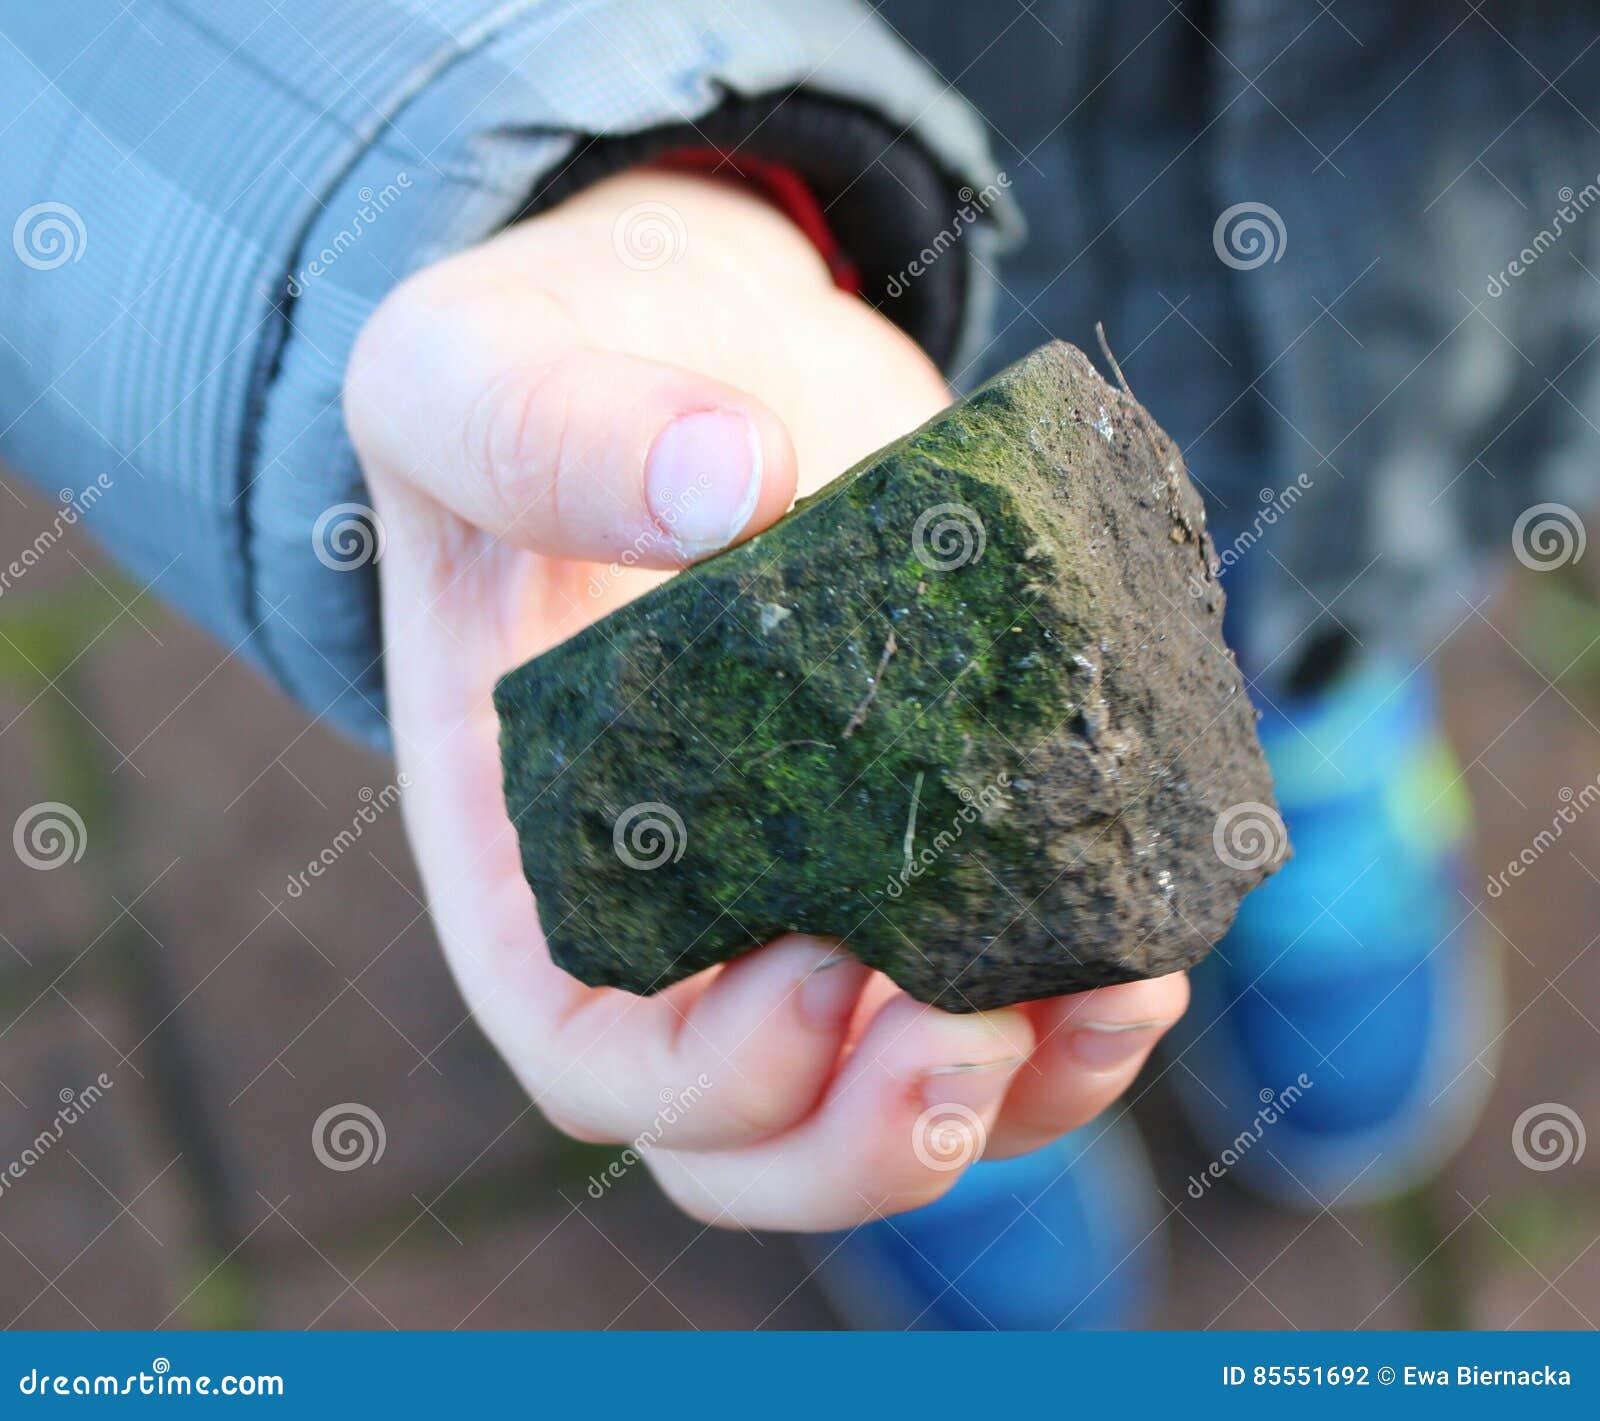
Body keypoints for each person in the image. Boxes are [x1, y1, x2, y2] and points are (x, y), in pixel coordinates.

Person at [7, 0, 1576, 1326]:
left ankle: (1310, 721)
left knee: (1351, 522)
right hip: (826, 171)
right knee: (909, 1029)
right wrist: (555, 154)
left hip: (1436, 186)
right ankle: (913, 1051)